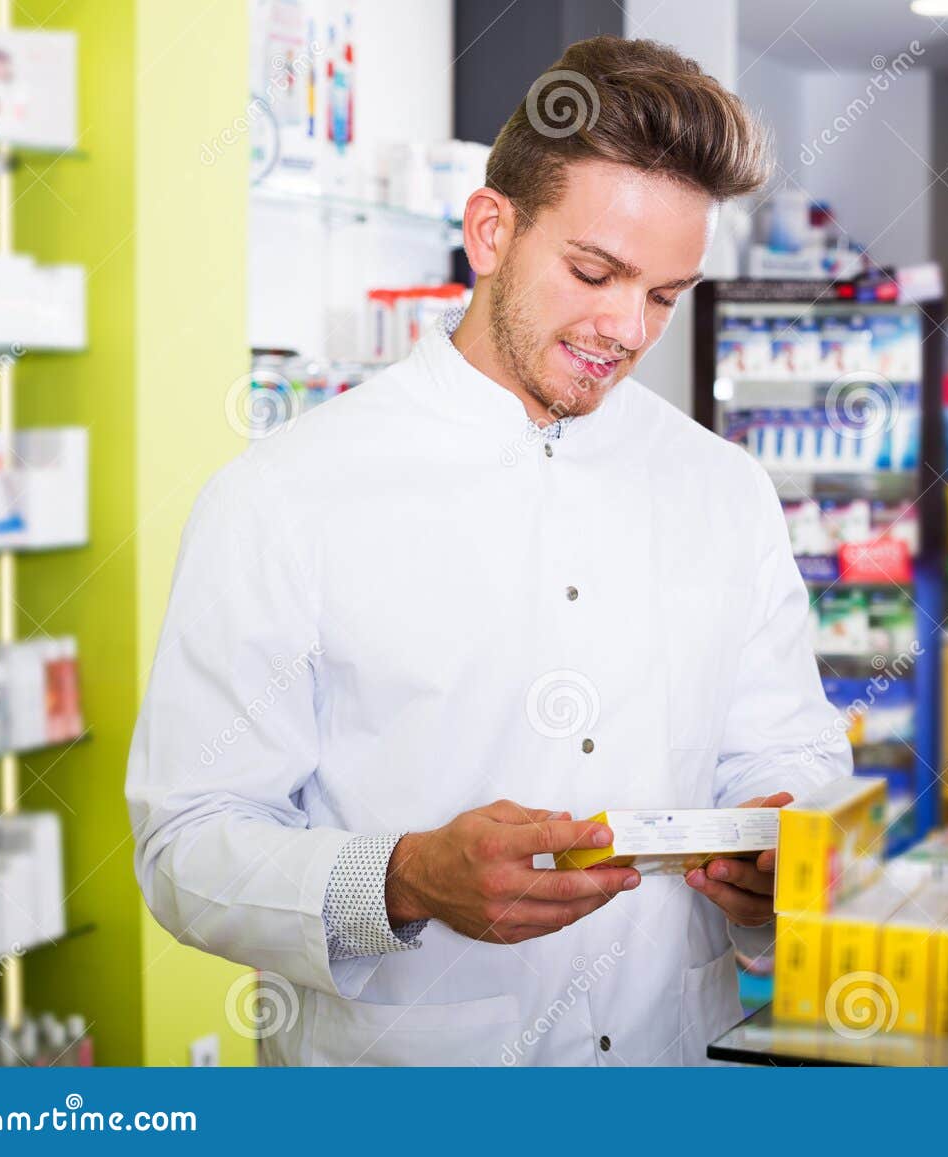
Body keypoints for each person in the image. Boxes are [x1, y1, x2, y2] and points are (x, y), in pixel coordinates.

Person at [126, 35, 851, 1066]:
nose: (626, 328)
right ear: (490, 230)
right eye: (594, 271)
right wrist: (404, 876)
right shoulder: (285, 495)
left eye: (662, 294)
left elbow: (791, 751)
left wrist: (788, 848)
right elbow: (187, 842)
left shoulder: (720, 487)